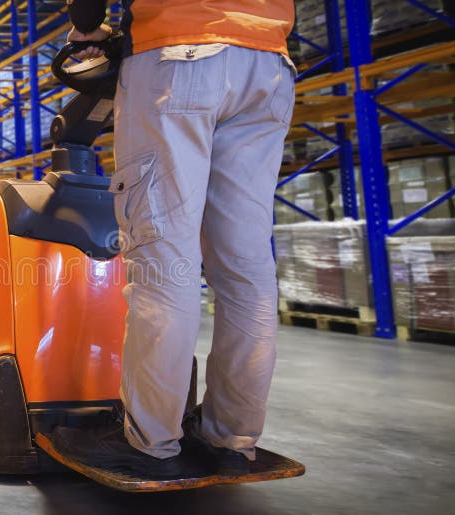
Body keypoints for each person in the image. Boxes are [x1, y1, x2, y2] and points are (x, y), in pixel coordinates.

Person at [52, 0, 296, 477]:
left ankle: (151, 443)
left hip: (179, 55)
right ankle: (232, 439)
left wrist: (87, 25)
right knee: (245, 269)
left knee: (164, 264)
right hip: (269, 64)